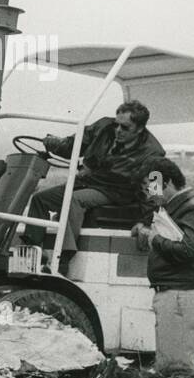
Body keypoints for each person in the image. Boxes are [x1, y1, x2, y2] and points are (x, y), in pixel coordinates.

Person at [25, 100, 163, 276]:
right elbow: (73, 145)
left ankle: (62, 260)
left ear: (140, 129)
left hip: (115, 190)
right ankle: (32, 253)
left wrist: (146, 223)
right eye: (117, 125)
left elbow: (155, 192)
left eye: (125, 128)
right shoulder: (104, 127)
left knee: (75, 200)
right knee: (40, 199)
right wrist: (54, 144)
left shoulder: (153, 153)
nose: (118, 130)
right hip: (89, 180)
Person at [131, 158, 194, 373]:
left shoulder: (192, 210)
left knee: (175, 370)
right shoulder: (177, 207)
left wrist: (155, 240)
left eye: (150, 187)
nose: (148, 195)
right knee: (169, 366)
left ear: (167, 182)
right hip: (175, 296)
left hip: (179, 297)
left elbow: (189, 251)